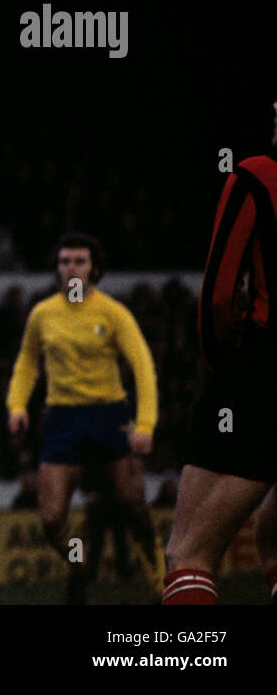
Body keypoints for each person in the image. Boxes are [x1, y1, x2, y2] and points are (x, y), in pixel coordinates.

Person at [5, 233, 162, 604]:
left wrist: (144, 425)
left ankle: (161, 587)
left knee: (133, 504)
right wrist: (17, 406)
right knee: (51, 520)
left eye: (78, 261)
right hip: (63, 420)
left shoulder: (113, 313)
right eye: (64, 261)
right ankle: (79, 566)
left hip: (110, 415)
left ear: (94, 268)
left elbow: (142, 366)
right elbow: (27, 362)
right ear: (56, 268)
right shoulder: (43, 314)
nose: (71, 268)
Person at [164, 101, 277, 604]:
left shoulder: (256, 175)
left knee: (189, 553)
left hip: (262, 369)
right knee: (273, 541)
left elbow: (218, 291)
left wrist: (221, 365)